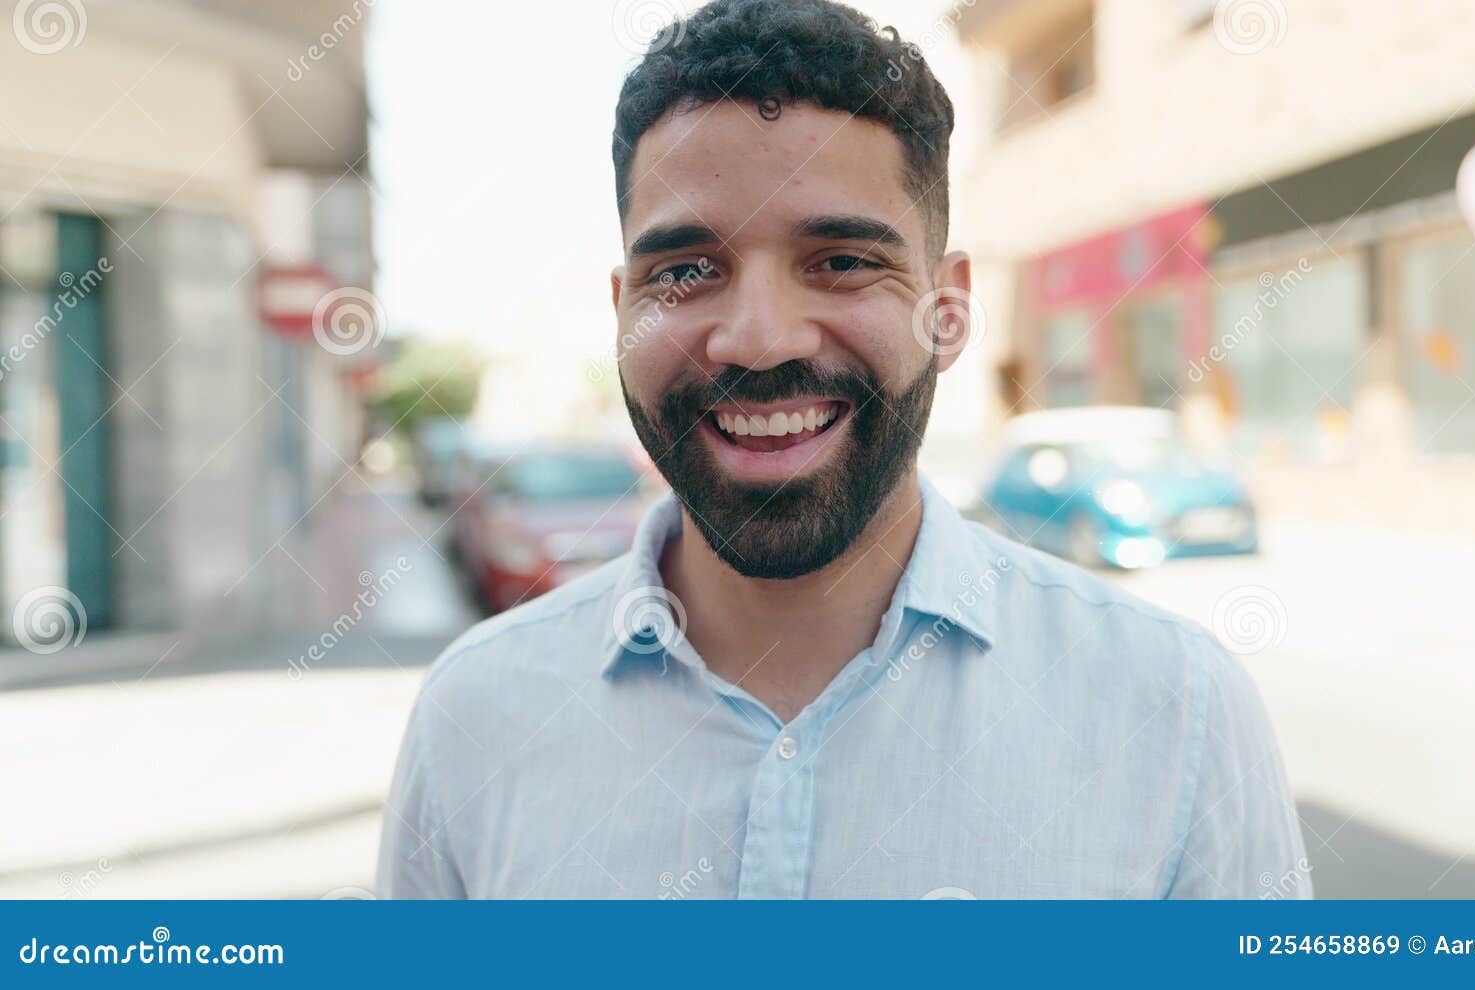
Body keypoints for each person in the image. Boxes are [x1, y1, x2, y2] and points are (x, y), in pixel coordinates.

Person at [377, 0, 1309, 899]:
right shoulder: (475, 718)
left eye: (843, 262)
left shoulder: (1175, 713)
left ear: (948, 309)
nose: (759, 338)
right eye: (687, 271)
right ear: (622, 308)